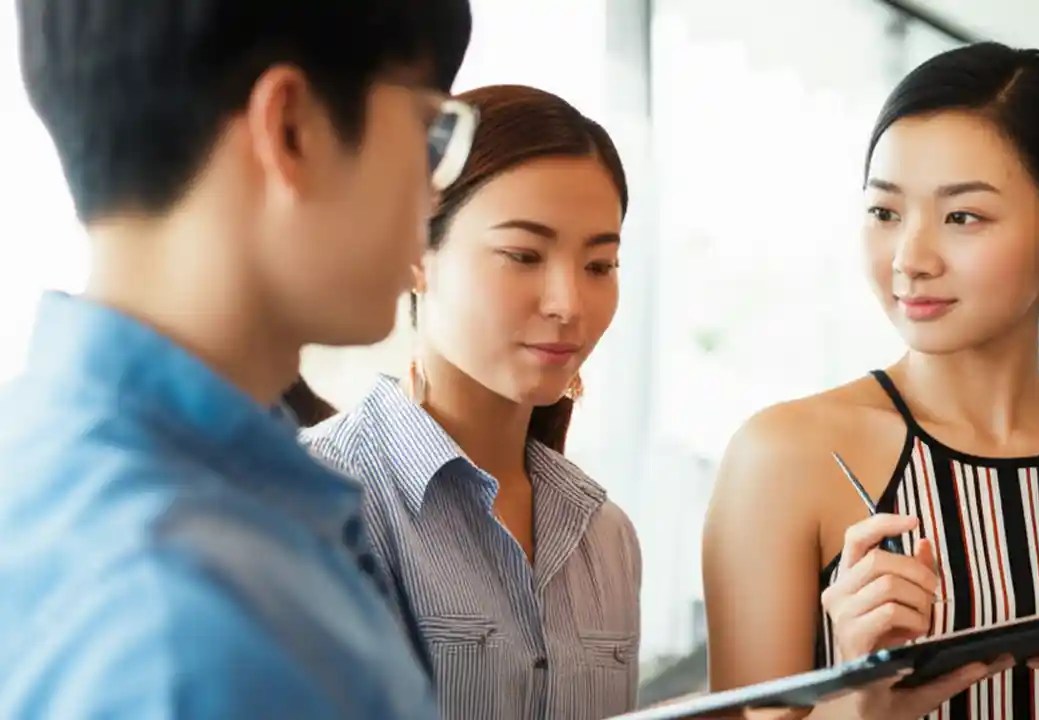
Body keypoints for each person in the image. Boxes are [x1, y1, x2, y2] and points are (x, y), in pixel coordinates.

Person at [703, 42, 1039, 719]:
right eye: (885, 212)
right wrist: (855, 703)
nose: (910, 258)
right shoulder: (783, 456)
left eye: (963, 217)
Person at [0, 1, 472, 717]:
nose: (433, 186)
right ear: (291, 128)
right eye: (427, 127)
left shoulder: (44, 462)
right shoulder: (191, 638)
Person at [301, 84, 640, 720]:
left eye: (600, 265)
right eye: (522, 255)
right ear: (417, 254)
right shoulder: (321, 498)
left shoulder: (606, 536)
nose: (568, 302)